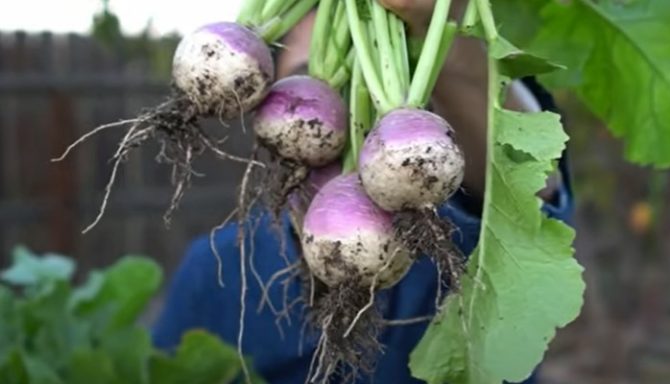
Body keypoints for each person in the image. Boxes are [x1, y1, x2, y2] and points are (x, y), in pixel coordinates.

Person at [152, 1, 574, 383]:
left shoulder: (460, 250)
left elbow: (531, 193)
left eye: (358, 93)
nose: (342, 110)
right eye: (304, 79)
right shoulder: (213, 271)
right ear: (261, 94)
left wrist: (437, 26)